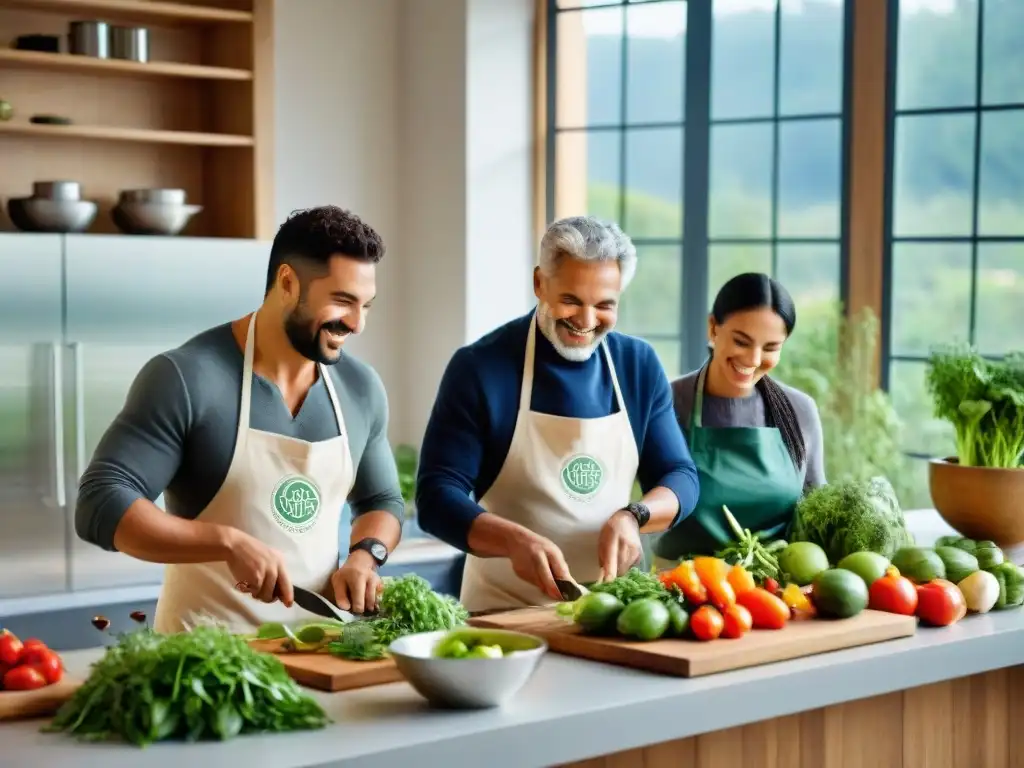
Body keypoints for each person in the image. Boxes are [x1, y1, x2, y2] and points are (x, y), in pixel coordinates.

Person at [75, 207, 404, 633]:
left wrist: (364, 557)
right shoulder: (187, 377)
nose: (357, 324)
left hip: (322, 649)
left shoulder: (360, 388)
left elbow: (382, 500)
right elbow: (100, 502)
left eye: (366, 305)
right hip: (206, 662)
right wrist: (225, 542)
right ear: (288, 283)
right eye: (342, 301)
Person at [416, 216, 701, 613]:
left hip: (613, 611)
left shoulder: (638, 365)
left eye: (604, 305)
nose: (586, 321)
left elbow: (681, 477)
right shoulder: (480, 367)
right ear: (539, 283)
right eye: (571, 300)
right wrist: (514, 540)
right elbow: (436, 497)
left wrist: (635, 515)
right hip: (503, 613)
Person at [652, 272, 826, 567]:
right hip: (681, 587)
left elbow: (818, 511)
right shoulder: (666, 403)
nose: (754, 359)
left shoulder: (800, 411)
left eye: (771, 348)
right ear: (713, 328)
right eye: (742, 341)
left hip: (775, 591)